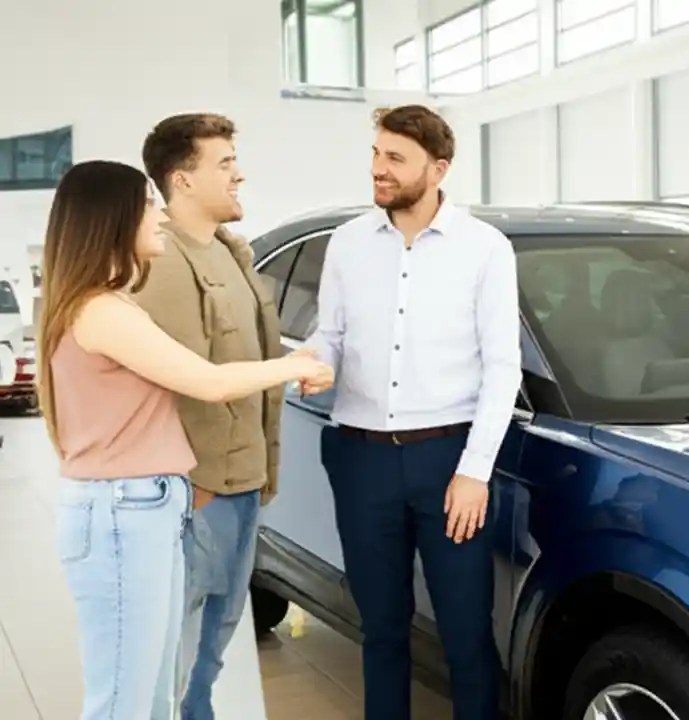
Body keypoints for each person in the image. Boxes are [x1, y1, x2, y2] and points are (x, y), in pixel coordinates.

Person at [36, 159, 331, 720]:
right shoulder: (99, 311)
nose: (156, 215)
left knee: (147, 696)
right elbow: (208, 380)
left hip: (141, 507)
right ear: (113, 220)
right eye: (145, 204)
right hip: (122, 512)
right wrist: (294, 366)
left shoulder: (108, 304)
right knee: (123, 700)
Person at [300, 104, 522, 720]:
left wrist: (475, 470)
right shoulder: (347, 243)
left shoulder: (484, 249)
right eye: (376, 154)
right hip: (361, 459)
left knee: (466, 634)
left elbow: (503, 365)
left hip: (448, 463)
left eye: (395, 158)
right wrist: (307, 362)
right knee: (381, 630)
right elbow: (331, 336)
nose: (379, 169)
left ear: (438, 167)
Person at [133, 112, 283, 720]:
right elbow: (168, 386)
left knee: (212, 646)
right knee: (178, 643)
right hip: (202, 490)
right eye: (224, 163)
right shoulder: (165, 261)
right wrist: (188, 486)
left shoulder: (227, 249)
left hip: (242, 482)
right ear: (182, 179)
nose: (238, 173)